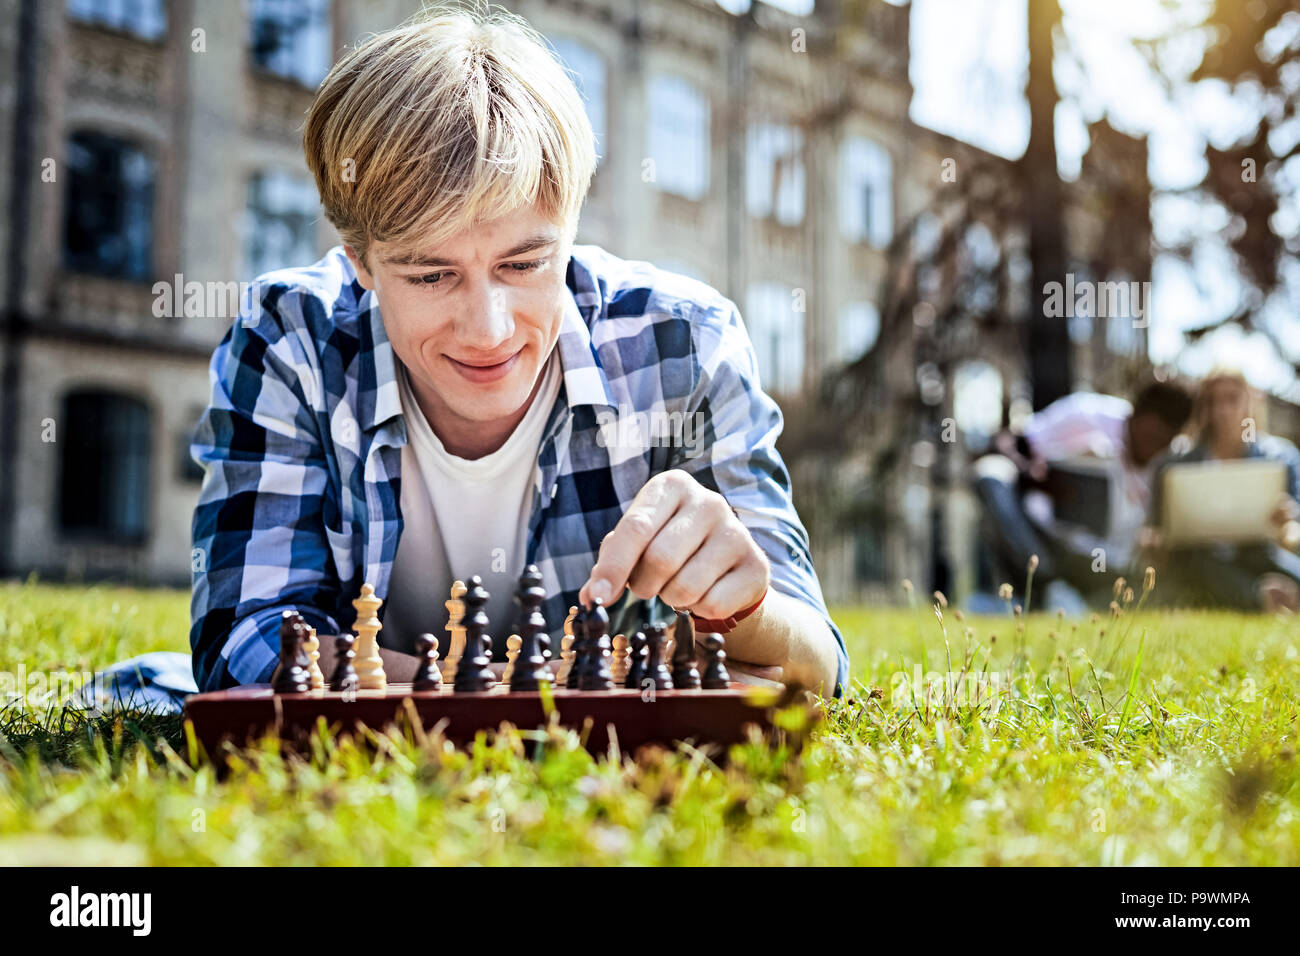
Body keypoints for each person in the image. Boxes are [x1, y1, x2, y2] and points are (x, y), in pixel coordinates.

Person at [188, 5, 847, 696]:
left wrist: (745, 607)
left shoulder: (686, 343)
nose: (488, 329)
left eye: (525, 264)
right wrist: (522, 691)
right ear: (359, 261)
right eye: (431, 274)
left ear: (570, 230)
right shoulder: (289, 340)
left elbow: (819, 665)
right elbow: (245, 641)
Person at [973, 382, 1192, 607]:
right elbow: (1007, 441)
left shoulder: (1176, 460)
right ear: (1135, 414)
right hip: (1043, 538)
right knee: (990, 472)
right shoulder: (1086, 415)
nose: (1152, 448)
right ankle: (1044, 585)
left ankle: (1065, 599)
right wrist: (1035, 475)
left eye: (1161, 442)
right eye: (1149, 436)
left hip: (1105, 562)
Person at [1141, 368, 1300, 611]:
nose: (1221, 410)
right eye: (1211, 401)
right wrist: (1153, 541)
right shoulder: (1173, 465)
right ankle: (1260, 599)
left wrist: (1288, 527)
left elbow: (1293, 529)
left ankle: (1272, 596)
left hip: (1259, 555)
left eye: (1232, 399)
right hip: (1198, 563)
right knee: (1195, 561)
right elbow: (1156, 530)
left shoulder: (1280, 458)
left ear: (1250, 402)